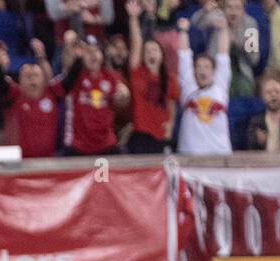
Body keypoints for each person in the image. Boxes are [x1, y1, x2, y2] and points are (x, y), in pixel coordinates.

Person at [60, 32, 129, 156]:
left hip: (106, 145)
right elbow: (67, 63)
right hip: (77, 146)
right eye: (88, 51)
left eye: (96, 51)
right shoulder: (74, 77)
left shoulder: (111, 77)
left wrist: (124, 97)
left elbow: (121, 105)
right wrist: (70, 44)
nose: (93, 55)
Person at [124, 1, 178, 154]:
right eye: (147, 51)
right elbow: (137, 43)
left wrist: (171, 125)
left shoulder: (169, 78)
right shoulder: (138, 73)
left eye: (155, 49)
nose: (150, 52)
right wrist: (133, 18)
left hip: (161, 136)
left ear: (162, 55)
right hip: (141, 135)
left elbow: (172, 104)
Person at [176, 17, 231, 155]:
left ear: (213, 72)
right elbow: (184, 57)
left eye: (207, 67)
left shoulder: (220, 87)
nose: (202, 70)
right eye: (198, 66)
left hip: (219, 153)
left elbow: (223, 56)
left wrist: (223, 29)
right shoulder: (188, 87)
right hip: (189, 153)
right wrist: (183, 31)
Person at [9, 40, 64, 159]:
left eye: (36, 76)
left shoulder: (51, 94)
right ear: (20, 81)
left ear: (43, 80)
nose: (32, 80)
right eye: (28, 77)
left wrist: (41, 57)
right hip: (19, 162)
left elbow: (53, 78)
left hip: (49, 161)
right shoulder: (14, 95)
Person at [196, 0, 260, 100]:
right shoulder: (217, 18)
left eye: (237, 8)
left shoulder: (250, 25)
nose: (233, 12)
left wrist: (237, 43)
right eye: (229, 8)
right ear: (223, 9)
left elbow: (254, 59)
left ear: (243, 10)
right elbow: (196, 23)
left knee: (243, 87)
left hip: (241, 73)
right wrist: (204, 11)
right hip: (215, 71)